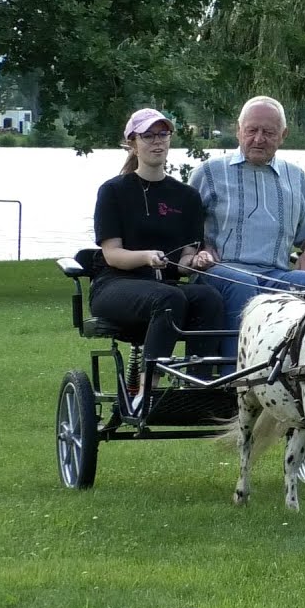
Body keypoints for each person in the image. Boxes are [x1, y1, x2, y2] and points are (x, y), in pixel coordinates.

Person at [90, 108, 225, 405]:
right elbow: (112, 255)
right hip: (115, 285)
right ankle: (146, 391)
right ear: (131, 143)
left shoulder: (187, 197)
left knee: (209, 296)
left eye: (162, 134)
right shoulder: (113, 191)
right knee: (170, 298)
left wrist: (200, 259)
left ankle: (197, 383)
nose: (157, 142)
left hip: (164, 286)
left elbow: (187, 260)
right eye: (148, 136)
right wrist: (147, 257)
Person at [189, 96, 305, 367]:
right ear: (238, 130)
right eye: (251, 131)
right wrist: (201, 246)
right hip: (221, 271)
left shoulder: (296, 178)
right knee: (243, 286)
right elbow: (183, 230)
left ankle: (300, 375)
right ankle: (236, 380)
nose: (259, 139)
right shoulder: (208, 173)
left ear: (283, 135)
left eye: (269, 132)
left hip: (274, 273)